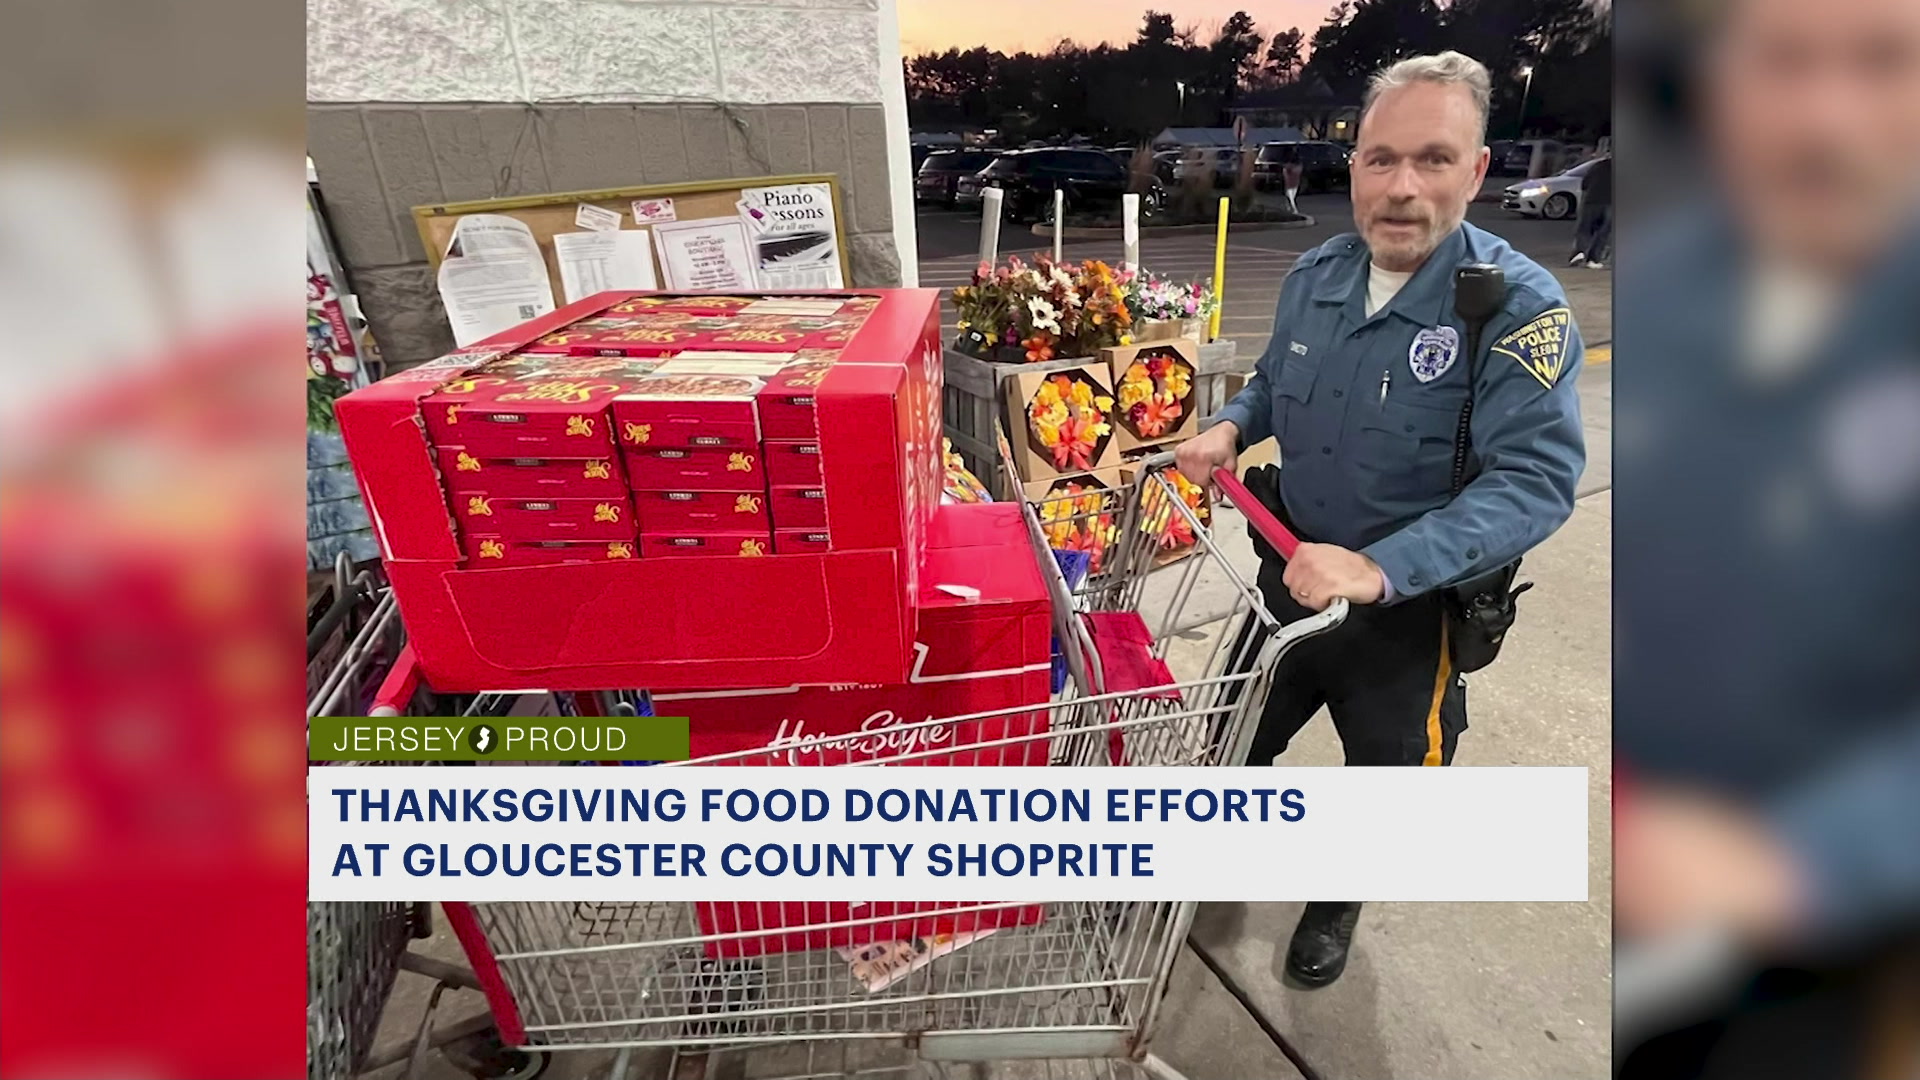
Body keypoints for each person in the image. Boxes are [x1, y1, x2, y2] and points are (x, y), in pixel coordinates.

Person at [1174, 51, 1587, 989]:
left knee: (1387, 779)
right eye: (1381, 159)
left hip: (1407, 612)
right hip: (1288, 581)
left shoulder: (1515, 308)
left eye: (1435, 160)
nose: (1402, 189)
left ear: (1478, 172)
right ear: (1352, 164)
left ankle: (1336, 898)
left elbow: (1535, 482)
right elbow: (1279, 380)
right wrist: (1231, 425)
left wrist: (1378, 568)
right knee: (1235, 739)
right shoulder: (1318, 275)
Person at [1570, 153, 1614, 268]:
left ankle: (1579, 252)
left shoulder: (1597, 166)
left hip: (1591, 200)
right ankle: (1593, 259)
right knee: (1602, 232)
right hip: (1611, 203)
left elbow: (1585, 183)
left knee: (1585, 229)